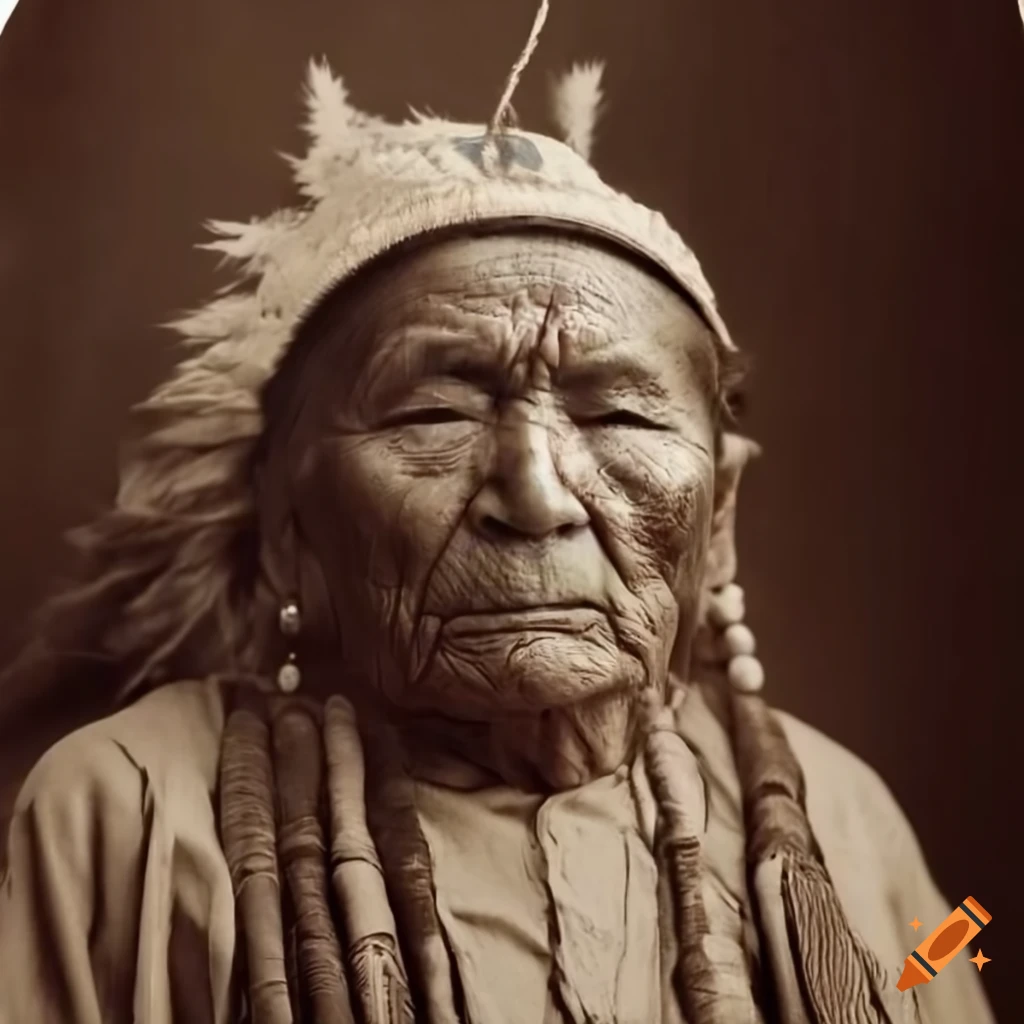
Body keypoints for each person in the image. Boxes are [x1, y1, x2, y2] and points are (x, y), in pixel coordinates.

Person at [0, 6, 996, 1023]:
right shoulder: (129, 812)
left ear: (720, 515)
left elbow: (929, 970)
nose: (535, 490)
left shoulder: (845, 819)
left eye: (615, 411)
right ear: (289, 522)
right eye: (434, 409)